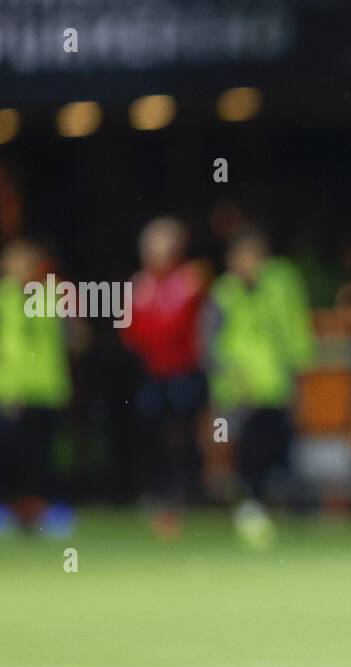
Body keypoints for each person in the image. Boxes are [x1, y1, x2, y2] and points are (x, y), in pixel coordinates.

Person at [203, 228, 315, 546]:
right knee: (238, 452)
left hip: (274, 388)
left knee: (276, 451)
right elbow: (210, 345)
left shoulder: (277, 288)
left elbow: (292, 333)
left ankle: (271, 509)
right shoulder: (223, 293)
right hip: (237, 392)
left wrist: (298, 371)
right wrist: (232, 380)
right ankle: (242, 508)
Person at [0, 239, 75, 535]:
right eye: (16, 262)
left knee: (41, 457)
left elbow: (72, 339)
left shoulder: (54, 294)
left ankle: (42, 512)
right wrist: (6, 390)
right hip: (2, 391)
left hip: (46, 390)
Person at [121, 217, 208, 536]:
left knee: (185, 433)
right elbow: (131, 332)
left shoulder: (189, 280)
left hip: (184, 371)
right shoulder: (139, 284)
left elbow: (181, 326)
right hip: (153, 372)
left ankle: (187, 493)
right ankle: (156, 493)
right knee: (153, 434)